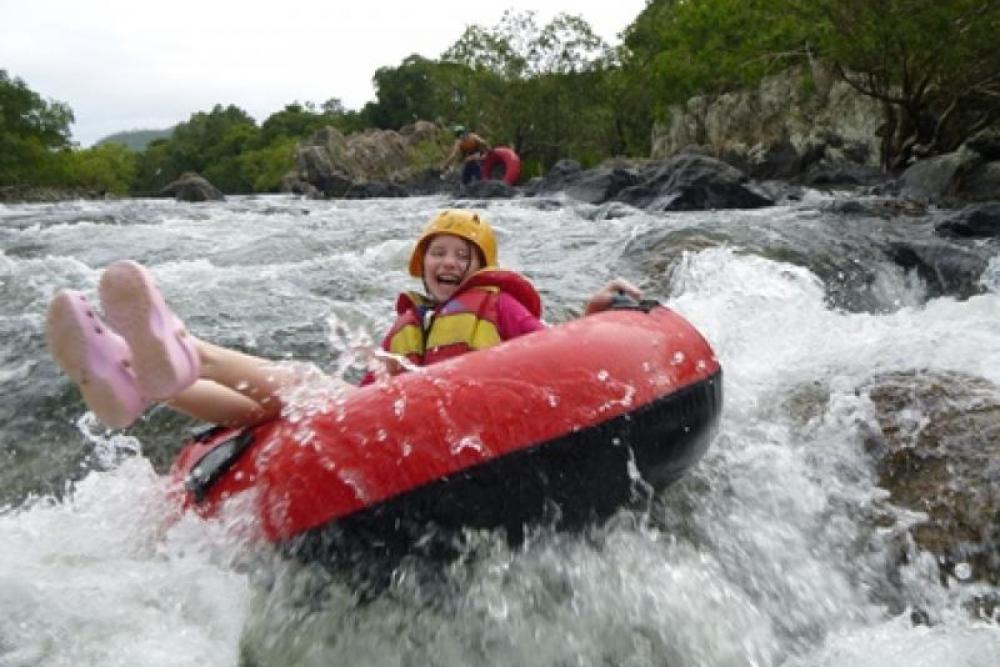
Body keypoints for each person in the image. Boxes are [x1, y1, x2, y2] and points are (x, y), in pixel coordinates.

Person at [45, 209, 641, 430]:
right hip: (408, 424)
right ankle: (141, 377)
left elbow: (553, 353)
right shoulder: (404, 329)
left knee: (307, 387)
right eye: (439, 253)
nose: (450, 263)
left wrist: (591, 316)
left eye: (463, 257)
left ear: (480, 269)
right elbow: (368, 398)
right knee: (273, 410)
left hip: (463, 420)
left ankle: (188, 351)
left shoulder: (498, 305)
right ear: (422, 264)